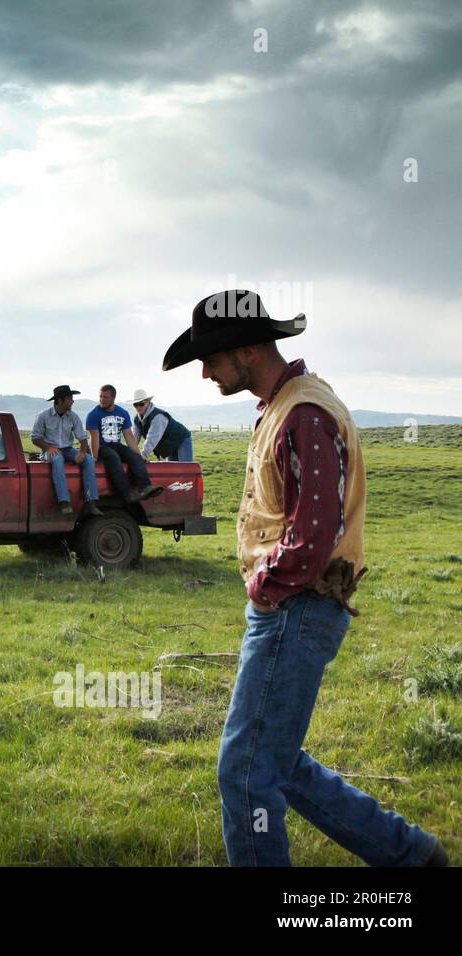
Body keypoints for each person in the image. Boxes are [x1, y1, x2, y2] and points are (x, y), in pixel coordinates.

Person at [162, 288, 446, 868]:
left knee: (244, 771)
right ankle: (412, 856)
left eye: (211, 360)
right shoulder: (287, 404)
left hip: (295, 607)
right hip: (295, 607)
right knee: (278, 762)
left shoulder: (303, 413)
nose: (206, 374)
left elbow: (313, 532)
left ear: (245, 351)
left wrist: (266, 586)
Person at [30, 385, 103, 518]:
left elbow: (82, 438)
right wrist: (48, 447)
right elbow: (35, 438)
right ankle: (64, 502)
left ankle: (91, 502)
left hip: (68, 449)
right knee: (57, 459)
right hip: (49, 449)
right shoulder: (43, 416)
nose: (72, 401)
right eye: (69, 398)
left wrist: (81, 452)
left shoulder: (73, 417)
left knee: (89, 460)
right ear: (59, 401)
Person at [85, 385, 163, 504]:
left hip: (116, 445)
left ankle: (145, 487)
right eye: (100, 396)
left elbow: (129, 436)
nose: (102, 400)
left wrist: (138, 456)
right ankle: (127, 494)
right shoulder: (93, 414)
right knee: (113, 457)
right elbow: (93, 438)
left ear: (113, 398)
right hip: (100, 447)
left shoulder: (122, 413)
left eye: (105, 397)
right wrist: (94, 458)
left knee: (133, 456)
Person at [131, 388, 194, 461]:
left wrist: (143, 455)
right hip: (169, 445)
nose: (138, 407)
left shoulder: (158, 416)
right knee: (173, 471)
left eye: (141, 404)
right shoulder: (137, 419)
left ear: (148, 402)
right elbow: (134, 439)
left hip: (181, 439)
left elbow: (152, 438)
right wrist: (129, 454)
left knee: (185, 469)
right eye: (135, 405)